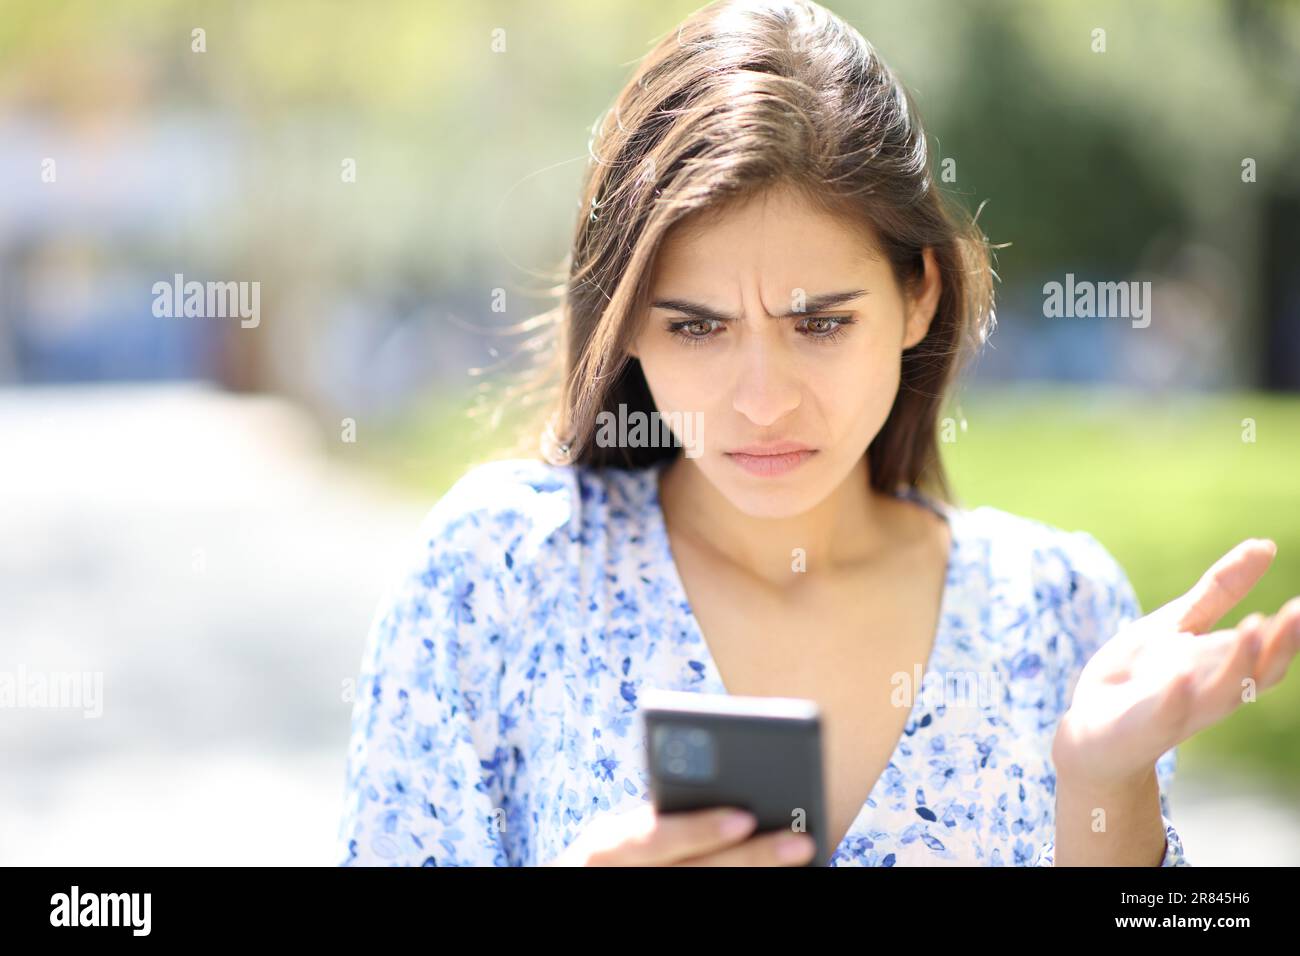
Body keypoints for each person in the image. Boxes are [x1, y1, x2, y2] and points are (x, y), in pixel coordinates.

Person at [335, 0, 1299, 866]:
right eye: (697, 326)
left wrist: (1104, 797)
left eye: (821, 323)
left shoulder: (1061, 613)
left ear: (918, 295)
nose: (763, 401)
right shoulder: (499, 577)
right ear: (626, 321)